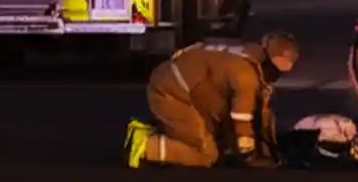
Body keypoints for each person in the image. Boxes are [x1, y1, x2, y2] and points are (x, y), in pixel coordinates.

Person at [125, 32, 301, 168]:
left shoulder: (250, 53)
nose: (276, 77)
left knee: (215, 137)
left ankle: (165, 130)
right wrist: (251, 153)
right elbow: (242, 120)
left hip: (178, 82)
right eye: (277, 71)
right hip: (170, 92)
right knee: (206, 155)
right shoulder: (245, 76)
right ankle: (145, 145)